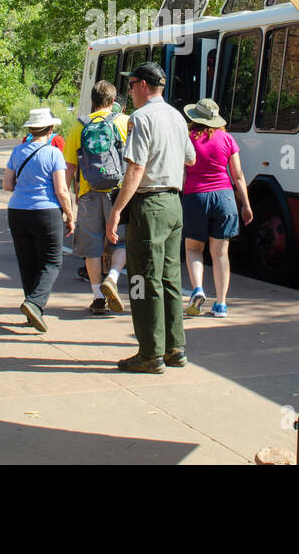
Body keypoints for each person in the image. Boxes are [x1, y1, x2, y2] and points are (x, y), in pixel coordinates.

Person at [106, 62, 196, 373]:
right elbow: (191, 158)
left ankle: (149, 353)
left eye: (130, 85)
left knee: (143, 279)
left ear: (143, 85)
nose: (129, 92)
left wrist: (117, 210)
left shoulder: (141, 118)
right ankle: (175, 347)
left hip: (150, 205)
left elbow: (135, 168)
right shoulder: (176, 116)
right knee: (170, 278)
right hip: (174, 203)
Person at [2, 108, 75, 332]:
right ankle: (34, 303)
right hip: (46, 211)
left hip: (17, 211)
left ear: (31, 129)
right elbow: (62, 190)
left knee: (27, 262)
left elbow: (7, 185)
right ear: (51, 129)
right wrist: (70, 215)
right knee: (52, 260)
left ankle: (33, 309)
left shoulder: (17, 151)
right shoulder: (53, 154)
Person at [180, 99, 252, 318]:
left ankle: (198, 289)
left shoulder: (188, 139)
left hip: (196, 197)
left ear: (194, 118)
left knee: (193, 248)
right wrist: (246, 205)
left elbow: (182, 173)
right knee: (221, 254)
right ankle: (221, 304)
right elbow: (237, 175)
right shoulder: (228, 139)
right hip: (225, 197)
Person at [64, 80, 130, 316]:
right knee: (121, 241)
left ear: (92, 101)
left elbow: (70, 167)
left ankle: (98, 297)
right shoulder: (124, 121)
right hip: (118, 192)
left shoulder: (79, 125)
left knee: (92, 247)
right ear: (113, 102)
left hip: (88, 193)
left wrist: (66, 203)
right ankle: (112, 277)